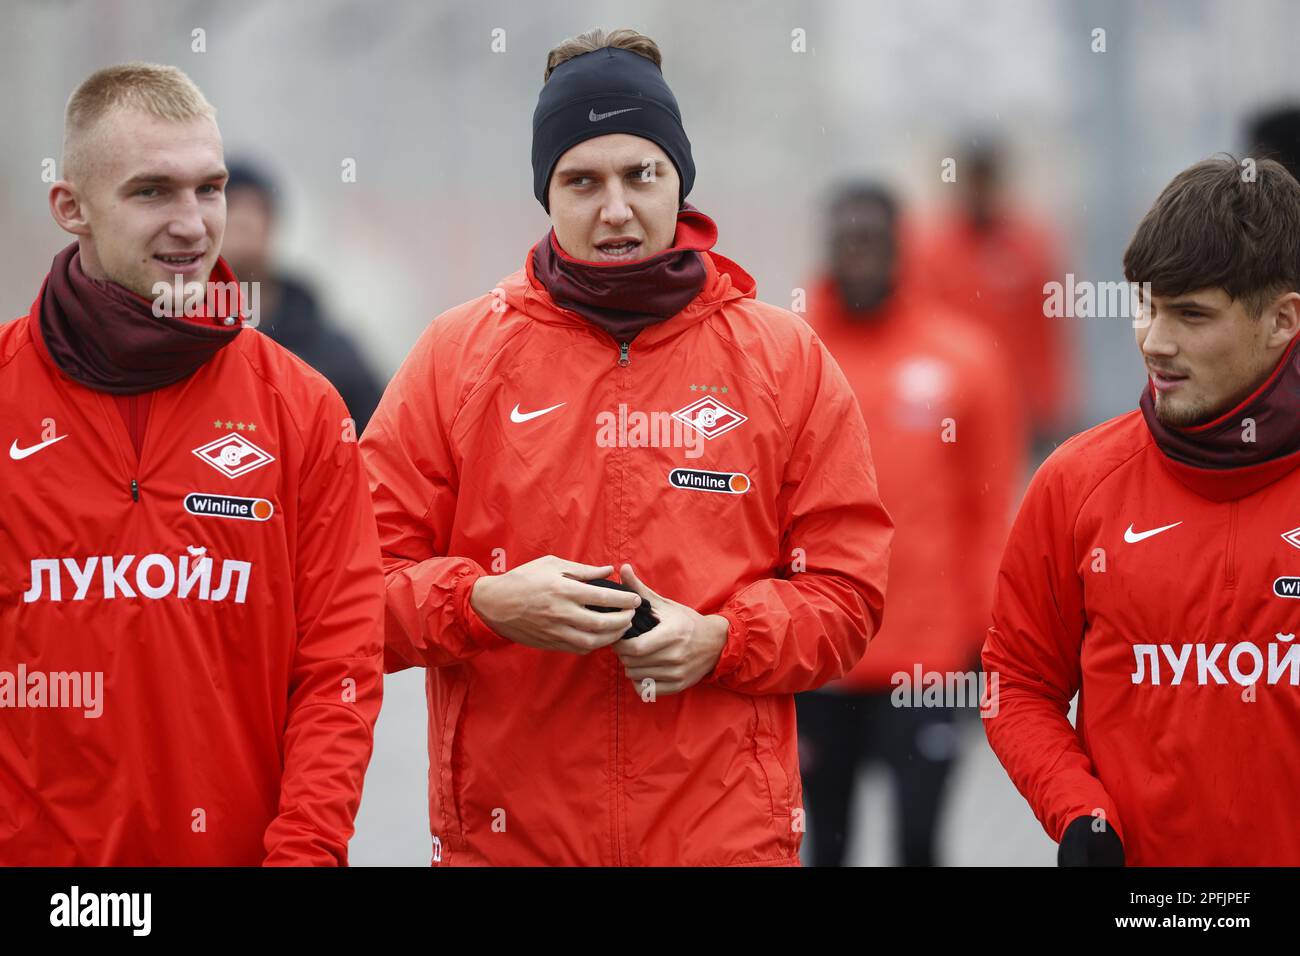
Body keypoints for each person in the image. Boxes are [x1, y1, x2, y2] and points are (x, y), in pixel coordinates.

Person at [360, 28, 893, 866]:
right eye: (581, 180)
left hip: (724, 842)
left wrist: (724, 640)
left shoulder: (782, 358)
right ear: (546, 194)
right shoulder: (455, 358)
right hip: (508, 845)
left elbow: (849, 597)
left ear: (679, 180)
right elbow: (353, 596)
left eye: (641, 173)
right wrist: (483, 604)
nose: (615, 208)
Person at [0, 63, 384, 865]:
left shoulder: (302, 408)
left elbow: (337, 672)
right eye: (151, 192)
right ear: (71, 208)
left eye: (208, 190)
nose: (192, 224)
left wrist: (307, 855)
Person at [983, 157, 1300, 866]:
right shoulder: (1075, 481)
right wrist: (1079, 813)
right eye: (1148, 306)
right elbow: (1017, 683)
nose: (1154, 340)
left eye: (1191, 315)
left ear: (1283, 320)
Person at [796, 183, 1022, 866]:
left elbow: (990, 510)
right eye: (847, 237)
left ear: (902, 247)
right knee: (822, 846)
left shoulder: (965, 358)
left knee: (920, 842)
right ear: (830, 246)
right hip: (819, 659)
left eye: (874, 237)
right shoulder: (793, 355)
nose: (860, 252)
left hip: (925, 661)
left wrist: (986, 633)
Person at [912, 139, 1074, 448]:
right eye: (972, 180)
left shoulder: (1030, 248)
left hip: (1020, 409)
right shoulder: (930, 251)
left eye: (985, 180)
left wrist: (1051, 405)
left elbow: (1048, 335)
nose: (979, 192)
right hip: (953, 403)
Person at [220, 160, 385, 432]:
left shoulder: (332, 353)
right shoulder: (179, 340)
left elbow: (375, 442)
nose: (244, 222)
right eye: (232, 206)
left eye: (257, 209)